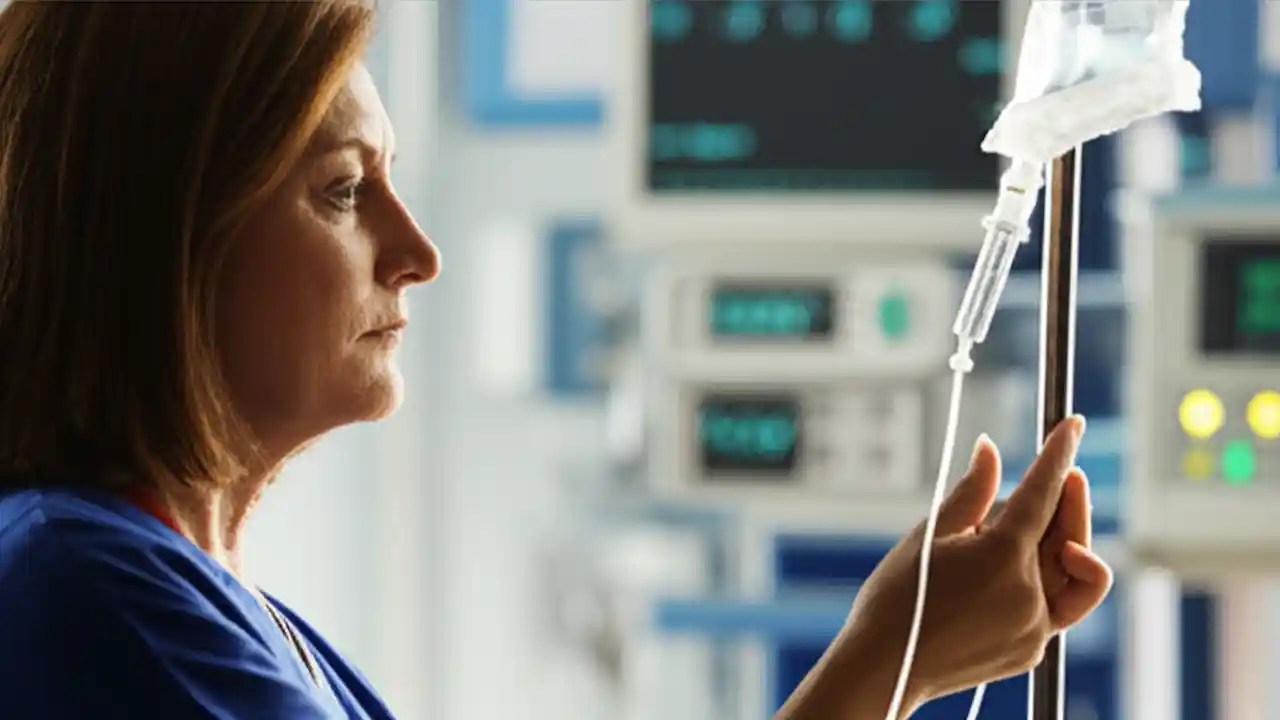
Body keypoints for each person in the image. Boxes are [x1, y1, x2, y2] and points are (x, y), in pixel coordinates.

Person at [0, 2, 1112, 719]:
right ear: (157, 237)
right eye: (343, 191)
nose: (415, 253)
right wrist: (890, 662)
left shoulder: (202, 600)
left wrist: (897, 655)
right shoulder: (96, 599)